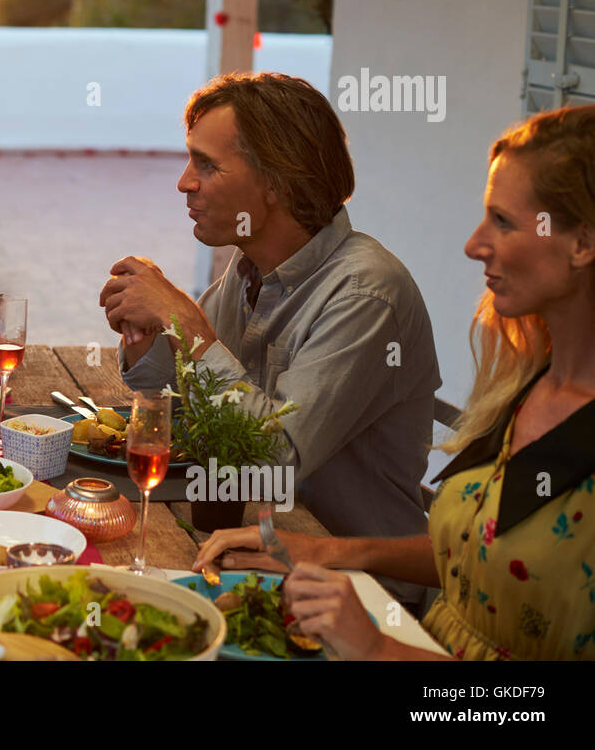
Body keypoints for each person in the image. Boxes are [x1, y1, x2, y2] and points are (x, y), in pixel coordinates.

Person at [194, 105, 595, 660]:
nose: (474, 244)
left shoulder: (366, 290)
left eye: (503, 221)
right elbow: (483, 549)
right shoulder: (533, 386)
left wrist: (379, 647)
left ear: (582, 242)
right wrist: (330, 551)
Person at [100, 72, 439, 605]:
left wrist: (187, 326)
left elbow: (271, 459)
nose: (184, 182)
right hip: (251, 543)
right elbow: (182, 395)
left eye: (206, 164)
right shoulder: (252, 265)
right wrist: (147, 340)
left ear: (277, 181)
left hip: (359, 589)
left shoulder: (366, 294)